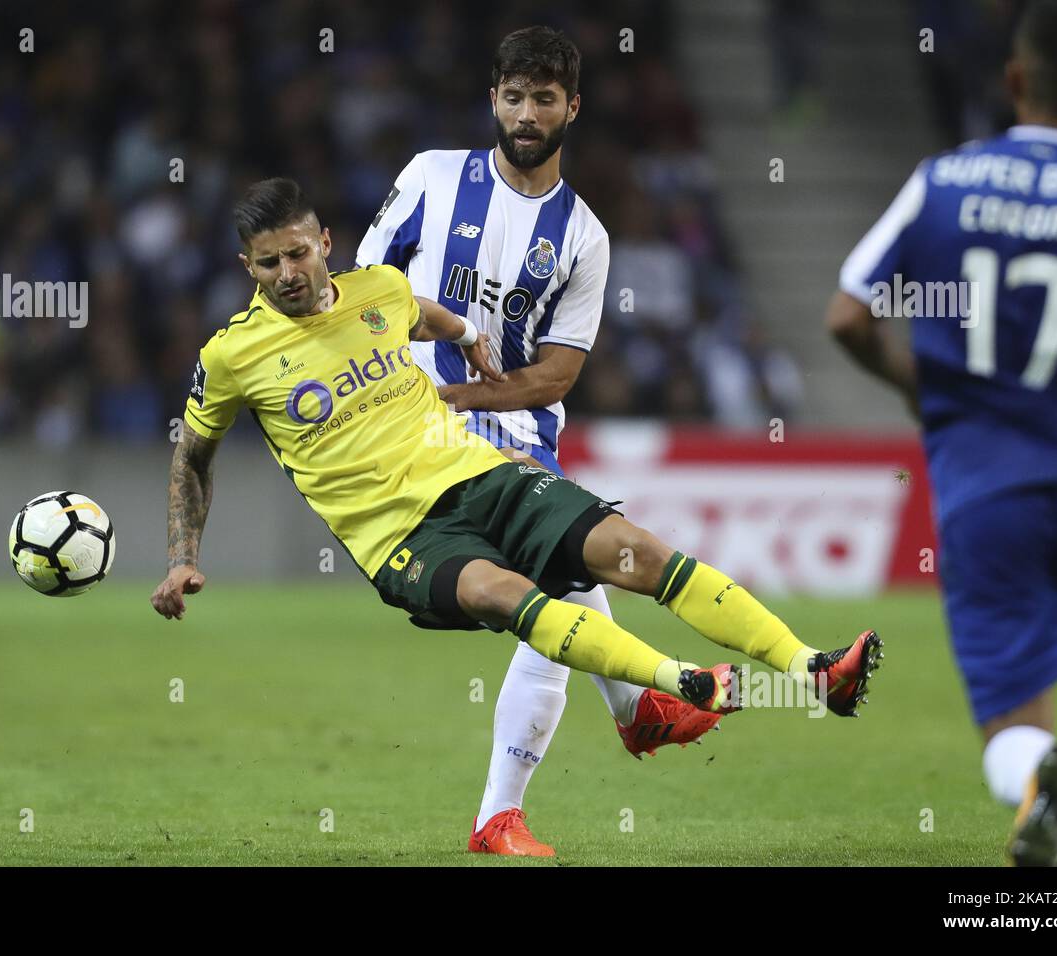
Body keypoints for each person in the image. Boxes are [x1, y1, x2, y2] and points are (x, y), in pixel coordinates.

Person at [151, 177, 882, 856]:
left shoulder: (380, 290)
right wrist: (184, 554)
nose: (287, 273)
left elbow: (424, 313)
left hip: (484, 477)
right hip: (401, 537)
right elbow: (192, 455)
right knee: (501, 594)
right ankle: (676, 680)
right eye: (269, 262)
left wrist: (467, 336)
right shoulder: (233, 356)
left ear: (325, 245)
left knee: (636, 552)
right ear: (248, 266)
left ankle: (813, 670)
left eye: (298, 253)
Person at [354, 25, 719, 858]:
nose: (526, 113)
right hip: (420, 428)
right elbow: (365, 291)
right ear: (493, 99)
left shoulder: (584, 236)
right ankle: (602, 735)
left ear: (572, 108)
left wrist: (465, 391)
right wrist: (413, 392)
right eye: (513, 97)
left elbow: (557, 375)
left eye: (543, 99)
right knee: (557, 589)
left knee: (558, 595)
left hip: (517, 425)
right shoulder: (432, 177)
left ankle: (567, 763)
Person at [827, 0, 1057, 867]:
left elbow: (847, 315)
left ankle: (1041, 776)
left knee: (1010, 717)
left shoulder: (944, 180)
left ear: (1014, 80)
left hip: (986, 489)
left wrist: (931, 392)